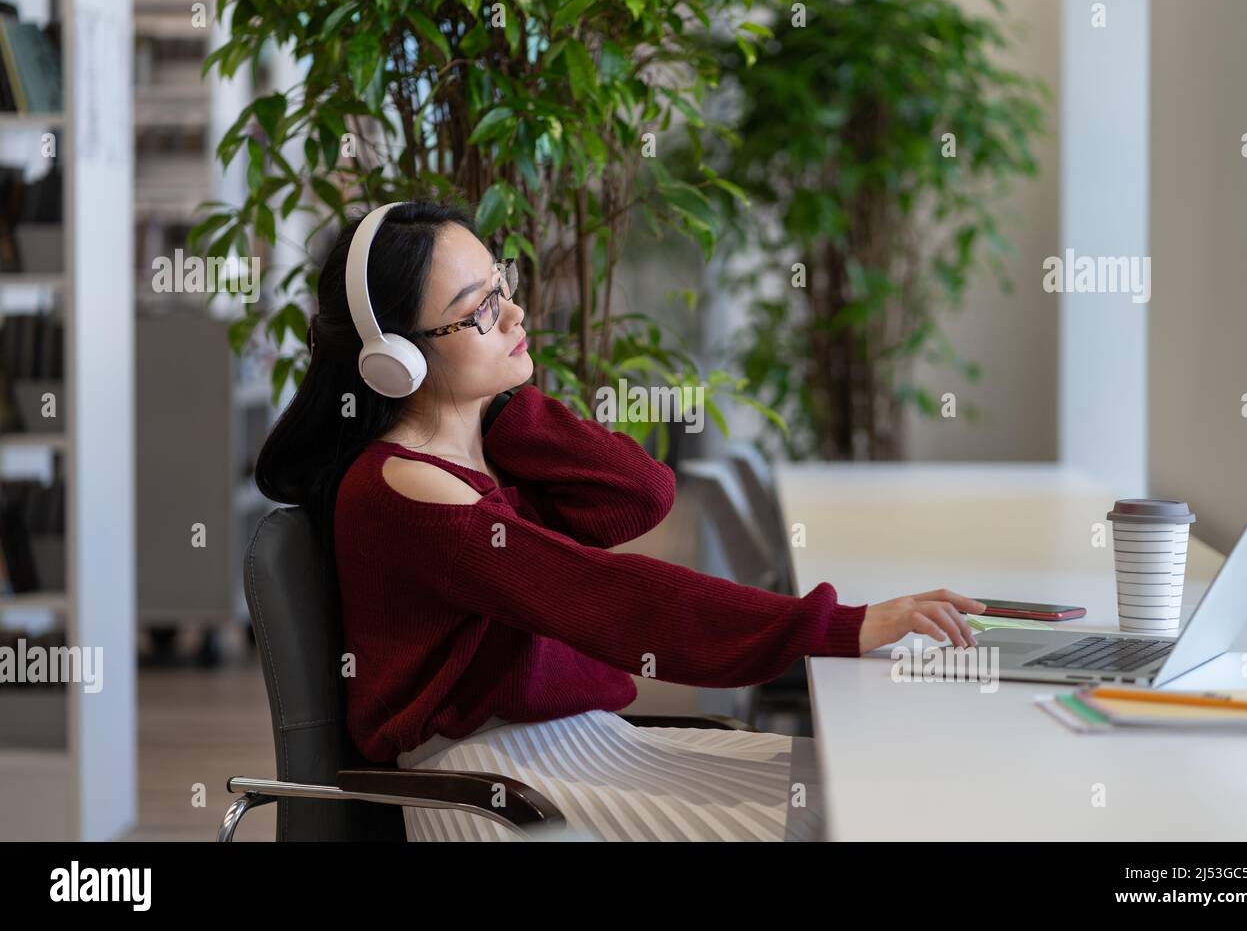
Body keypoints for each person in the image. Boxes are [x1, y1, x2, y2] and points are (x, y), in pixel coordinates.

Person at [255, 199, 984, 841]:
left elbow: (639, 494)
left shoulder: (476, 452)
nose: (514, 315)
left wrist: (507, 407)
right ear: (396, 361)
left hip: (573, 748)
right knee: (846, 817)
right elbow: (613, 600)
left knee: (862, 792)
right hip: (488, 790)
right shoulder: (406, 489)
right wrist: (838, 625)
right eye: (479, 310)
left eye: (504, 286)